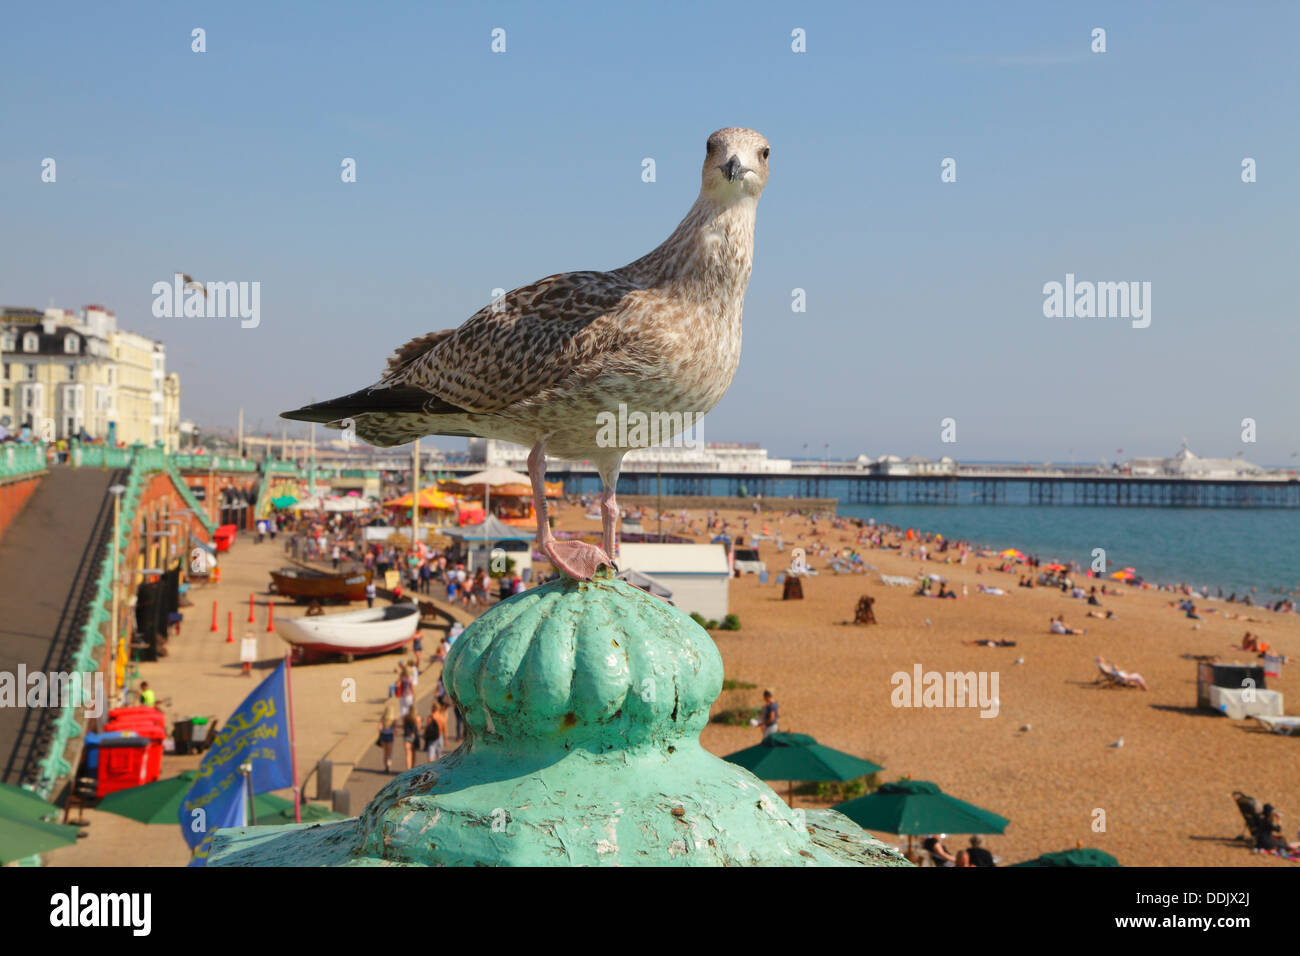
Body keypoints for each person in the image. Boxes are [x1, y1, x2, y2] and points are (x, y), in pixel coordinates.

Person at [378, 687, 401, 773]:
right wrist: (396, 732)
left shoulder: (383, 718)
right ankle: (389, 764)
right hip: (390, 736)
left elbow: (379, 728)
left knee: (385, 752)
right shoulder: (393, 719)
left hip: (384, 735)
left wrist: (380, 733)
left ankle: (385, 766)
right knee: (390, 752)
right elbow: (395, 728)